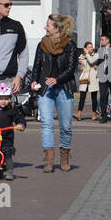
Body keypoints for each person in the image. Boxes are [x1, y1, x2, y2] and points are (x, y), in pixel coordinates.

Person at [29, 14, 79, 172]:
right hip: (45, 88)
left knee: (65, 126)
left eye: (48, 25)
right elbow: (37, 65)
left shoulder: (70, 45)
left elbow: (72, 69)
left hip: (64, 88)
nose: (45, 27)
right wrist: (34, 80)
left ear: (57, 28)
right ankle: (49, 160)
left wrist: (57, 79)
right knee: (46, 124)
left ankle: (64, 156)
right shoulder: (42, 44)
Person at [76, 40, 99, 120]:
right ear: (85, 48)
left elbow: (91, 61)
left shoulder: (96, 55)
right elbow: (80, 69)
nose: (91, 48)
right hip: (85, 78)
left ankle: (94, 113)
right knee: (82, 97)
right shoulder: (82, 56)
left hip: (93, 78)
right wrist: (80, 63)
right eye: (89, 47)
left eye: (91, 47)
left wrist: (86, 54)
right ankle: (78, 114)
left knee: (94, 97)